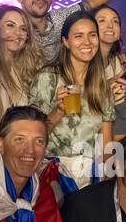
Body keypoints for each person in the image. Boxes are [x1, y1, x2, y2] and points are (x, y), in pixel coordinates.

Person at [28, 11, 115, 188]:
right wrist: (58, 111)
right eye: (78, 36)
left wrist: (109, 183)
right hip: (53, 176)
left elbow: (106, 142)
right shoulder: (48, 78)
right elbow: (32, 135)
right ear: (65, 42)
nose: (87, 42)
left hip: (90, 176)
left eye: (92, 35)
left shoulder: (101, 86)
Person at [0, 5, 42, 154]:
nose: (18, 34)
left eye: (23, 29)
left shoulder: (28, 70)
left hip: (18, 154)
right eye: (10, 25)